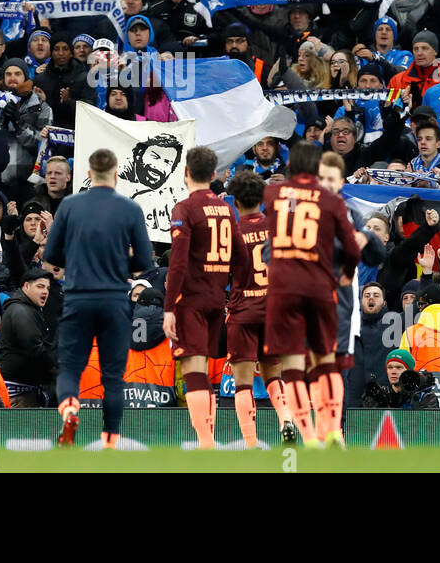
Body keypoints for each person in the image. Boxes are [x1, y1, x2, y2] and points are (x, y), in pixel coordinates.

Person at [263, 144, 372, 449]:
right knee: (328, 364)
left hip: (285, 292)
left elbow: (270, 243)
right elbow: (352, 250)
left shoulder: (273, 196)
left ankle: (308, 436)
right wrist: (347, 271)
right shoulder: (331, 202)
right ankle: (332, 430)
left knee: (294, 368)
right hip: (321, 291)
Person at [44, 148, 154, 449]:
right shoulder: (130, 209)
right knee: (113, 376)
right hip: (114, 300)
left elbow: (51, 255)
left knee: (69, 368)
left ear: (89, 173)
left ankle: (70, 409)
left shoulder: (69, 205)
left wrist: (78, 259)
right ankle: (110, 440)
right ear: (116, 173)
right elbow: (146, 259)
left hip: (78, 298)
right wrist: (119, 263)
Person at [164, 145, 248, 449]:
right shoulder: (227, 209)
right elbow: (243, 258)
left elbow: (178, 261)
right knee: (204, 373)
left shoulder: (184, 209)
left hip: (192, 300)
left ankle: (206, 441)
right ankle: (208, 437)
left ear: (186, 173)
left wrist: (169, 307)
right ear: (213, 175)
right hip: (217, 299)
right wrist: (237, 295)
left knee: (194, 370)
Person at [226, 170, 295, 446]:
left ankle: (251, 442)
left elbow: (222, 272)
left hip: (243, 311)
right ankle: (285, 418)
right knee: (273, 373)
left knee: (242, 382)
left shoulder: (232, 232)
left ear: (236, 202)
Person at [0, 268, 57, 407]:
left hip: (27, 389)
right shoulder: (21, 311)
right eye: (40, 286)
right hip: (18, 394)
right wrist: (57, 369)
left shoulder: (29, 308)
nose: (45, 292)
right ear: (26, 286)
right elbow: (36, 350)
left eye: (47, 288)